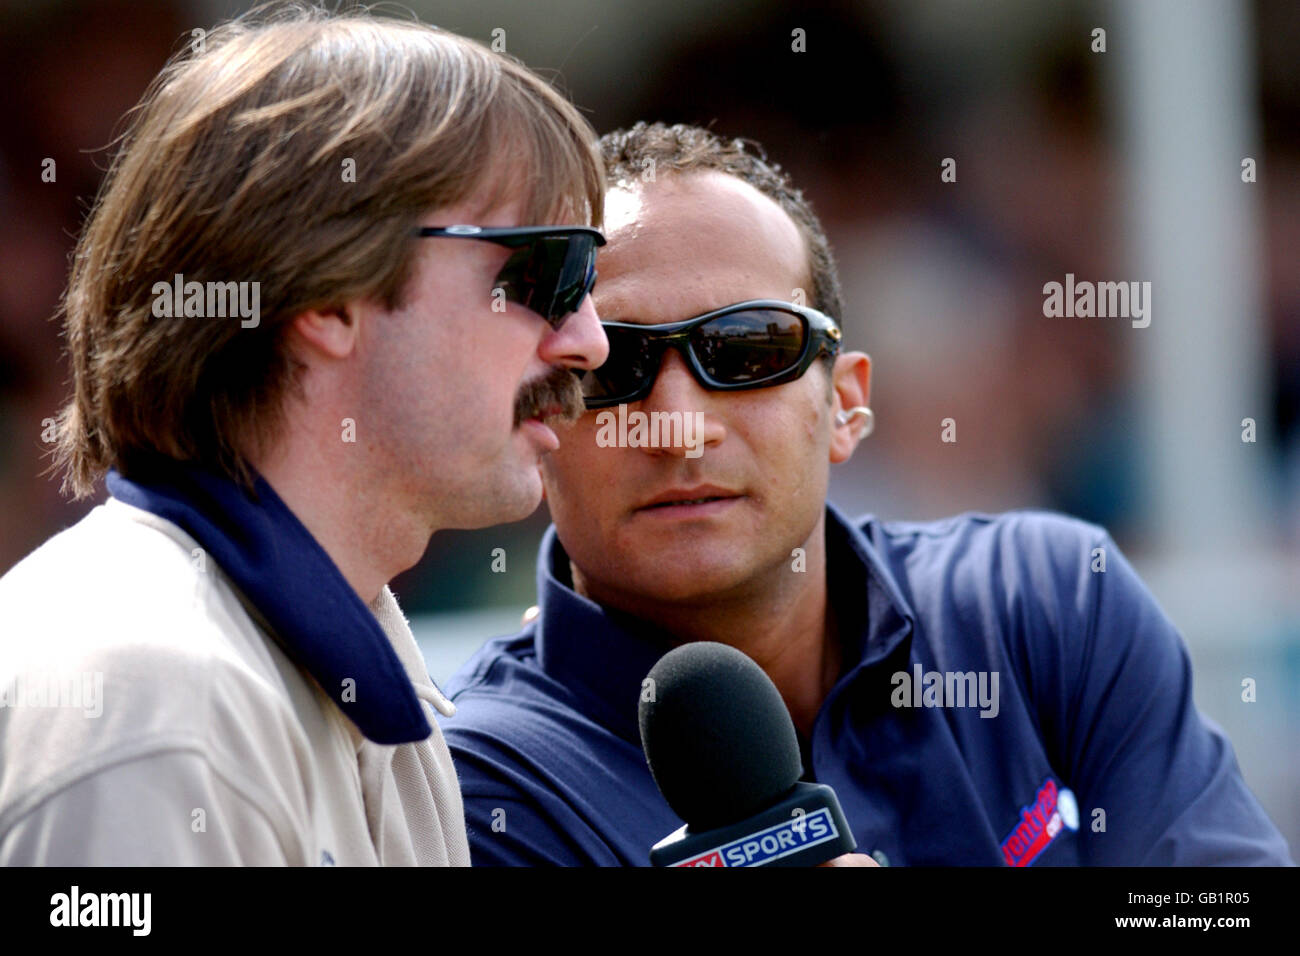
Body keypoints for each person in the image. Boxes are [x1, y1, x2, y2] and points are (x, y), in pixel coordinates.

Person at [438, 121, 1294, 867]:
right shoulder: (488, 787)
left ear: (845, 406)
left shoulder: (1047, 601)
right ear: (539, 416)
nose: (679, 426)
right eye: (614, 367)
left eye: (746, 351)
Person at [0, 4, 608, 865]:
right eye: (551, 269)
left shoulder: (354, 661)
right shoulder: (156, 703)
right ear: (328, 298)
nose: (590, 339)